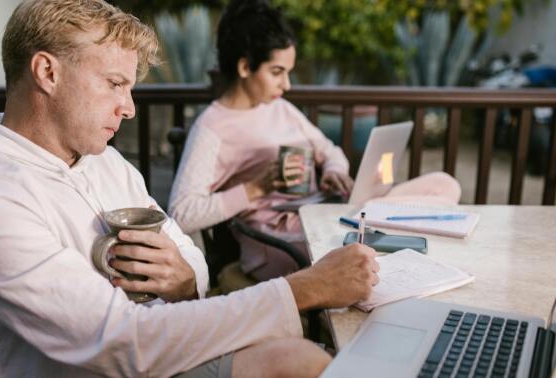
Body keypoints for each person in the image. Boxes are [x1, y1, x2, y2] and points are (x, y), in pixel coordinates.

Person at [0, 1, 380, 377]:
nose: (130, 109)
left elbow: (189, 257)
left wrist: (182, 279)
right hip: (118, 357)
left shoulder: (104, 162)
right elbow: (121, 341)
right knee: (297, 363)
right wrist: (303, 289)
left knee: (294, 351)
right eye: (115, 84)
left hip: (147, 345)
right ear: (47, 73)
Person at [169, 0, 461, 281]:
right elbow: (181, 213)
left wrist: (335, 171)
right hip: (280, 239)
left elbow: (328, 150)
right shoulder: (212, 128)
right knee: (362, 246)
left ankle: (383, 233)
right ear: (245, 67)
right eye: (277, 73)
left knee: (444, 186)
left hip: (326, 211)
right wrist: (256, 187)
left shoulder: (279, 107)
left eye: (288, 73)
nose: (287, 85)